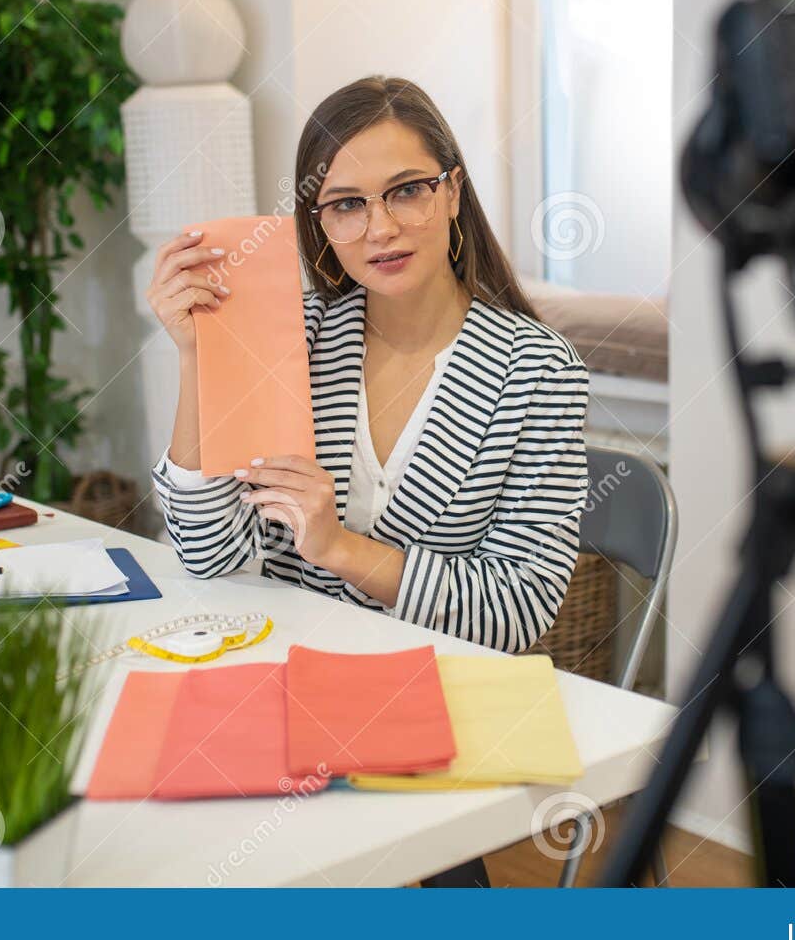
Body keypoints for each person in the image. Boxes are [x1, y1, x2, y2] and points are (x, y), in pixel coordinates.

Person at [147, 75, 590, 655]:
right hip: (287, 671)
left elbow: (516, 609)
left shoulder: (538, 371)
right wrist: (198, 354)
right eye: (348, 204)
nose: (381, 228)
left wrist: (339, 548)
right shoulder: (294, 337)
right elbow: (208, 555)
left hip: (442, 689)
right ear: (322, 224)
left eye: (407, 191)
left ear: (452, 192)